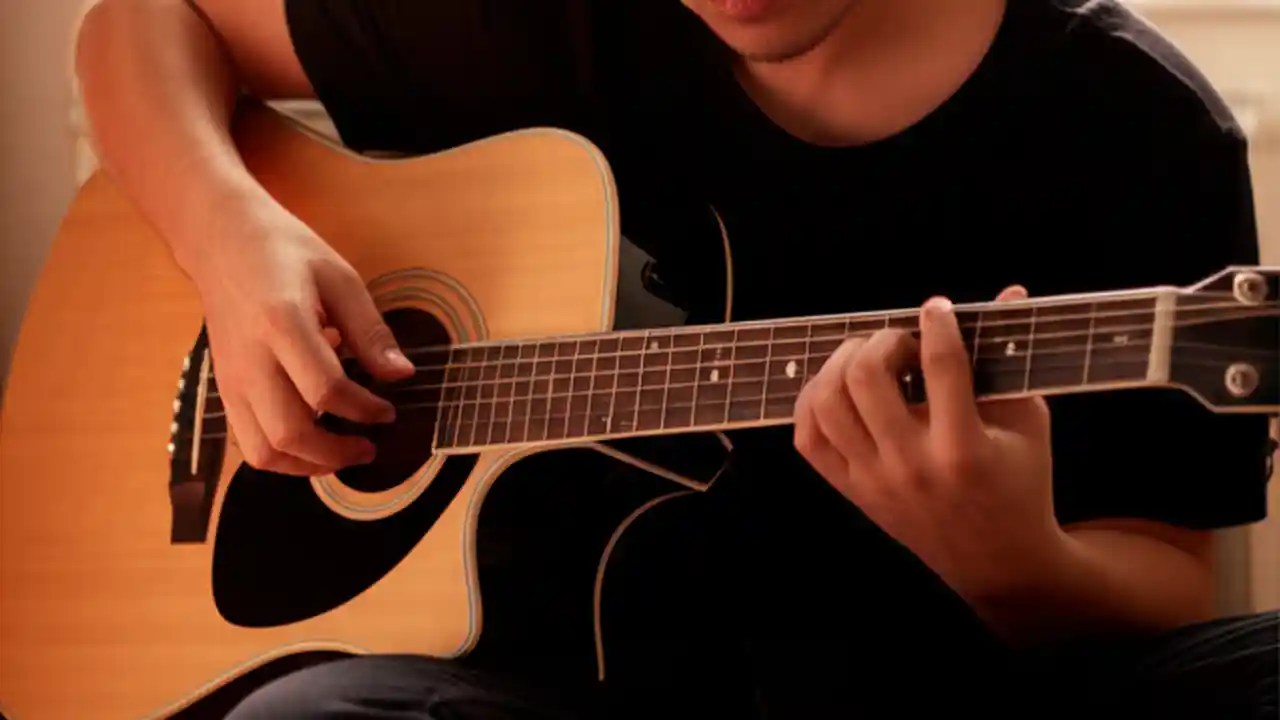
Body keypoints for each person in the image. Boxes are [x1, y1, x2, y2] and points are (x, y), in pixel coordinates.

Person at [75, 0, 1277, 717]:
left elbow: (1169, 580)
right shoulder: (553, 22)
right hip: (533, 687)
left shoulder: (1134, 127)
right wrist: (236, 250)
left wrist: (1008, 561)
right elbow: (139, 24)